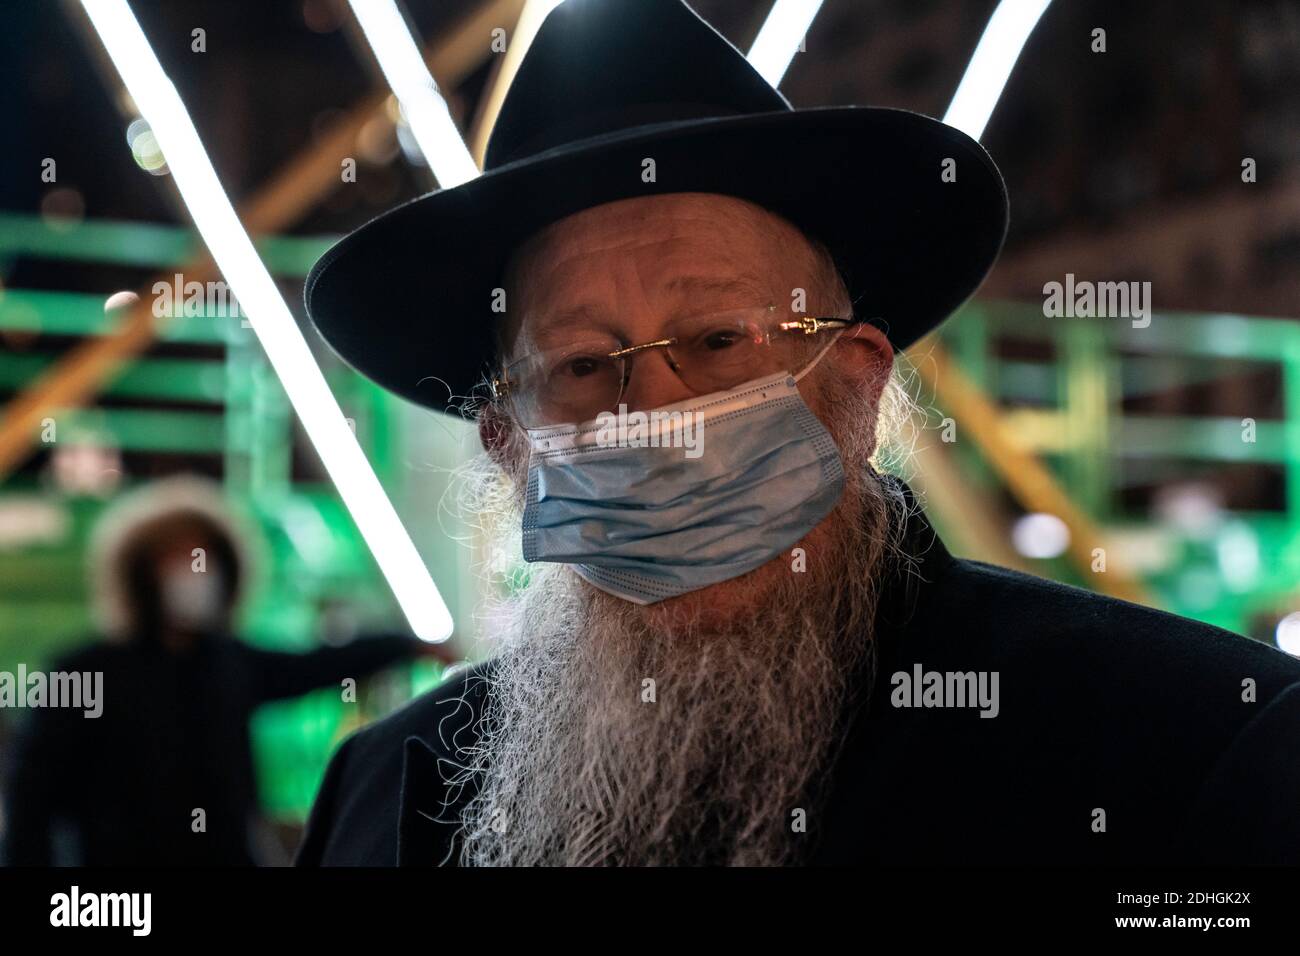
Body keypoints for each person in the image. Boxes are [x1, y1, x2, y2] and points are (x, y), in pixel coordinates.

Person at [295, 0, 1300, 866]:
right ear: (508, 443)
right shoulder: (380, 797)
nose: (651, 412)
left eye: (719, 337)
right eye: (580, 365)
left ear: (855, 386)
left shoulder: (1191, 753)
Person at [1, 477, 432, 866]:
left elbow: (314, 666)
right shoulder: (84, 671)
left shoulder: (227, 663)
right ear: (139, 572)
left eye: (204, 557)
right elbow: (31, 799)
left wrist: (408, 646)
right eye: (174, 557)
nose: (194, 572)